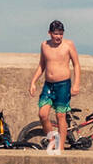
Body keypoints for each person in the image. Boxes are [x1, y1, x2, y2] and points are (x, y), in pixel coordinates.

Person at [28, 20, 80, 150]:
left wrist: (76, 84)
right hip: (48, 85)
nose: (58, 37)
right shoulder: (44, 45)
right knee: (43, 114)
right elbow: (42, 65)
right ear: (50, 33)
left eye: (61, 34)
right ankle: (52, 141)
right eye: (56, 34)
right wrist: (33, 82)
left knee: (60, 115)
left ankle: (60, 148)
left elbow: (76, 65)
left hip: (63, 85)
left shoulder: (69, 45)